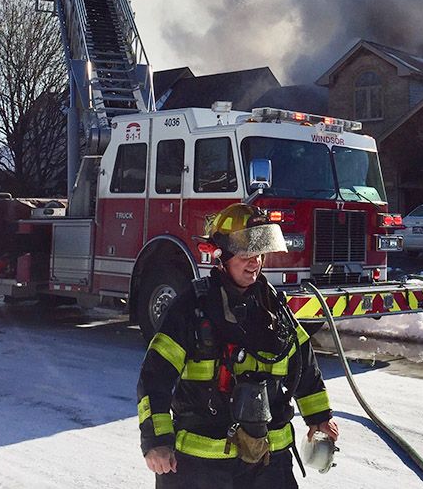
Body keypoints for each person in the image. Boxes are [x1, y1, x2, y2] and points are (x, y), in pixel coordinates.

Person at [138, 203, 339, 488]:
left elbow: (303, 365)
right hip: (202, 468)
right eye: (245, 254)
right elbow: (154, 377)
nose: (254, 262)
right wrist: (156, 441)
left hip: (269, 463)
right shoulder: (191, 308)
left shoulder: (275, 309)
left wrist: (320, 418)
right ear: (222, 256)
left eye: (258, 254)